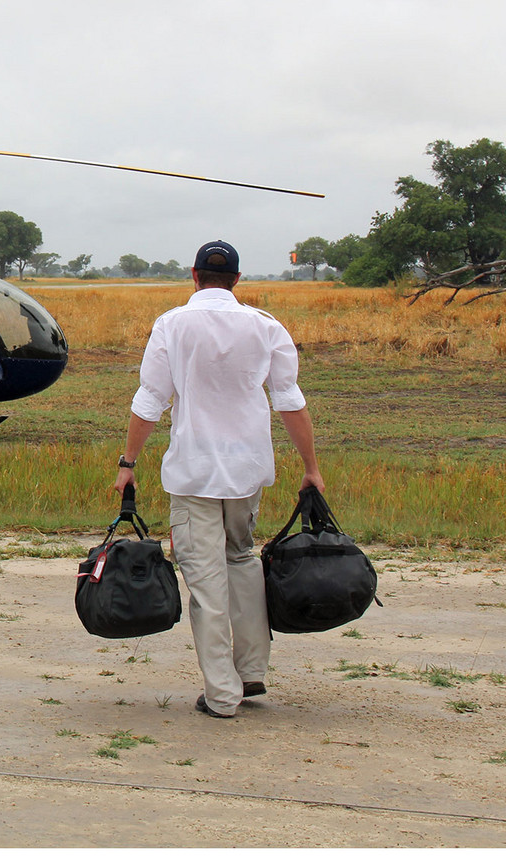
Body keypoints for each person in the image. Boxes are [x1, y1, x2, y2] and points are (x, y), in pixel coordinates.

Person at [113, 239, 323, 719]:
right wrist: (311, 467)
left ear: (194, 276)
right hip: (247, 472)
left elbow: (150, 399)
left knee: (206, 581)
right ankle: (250, 671)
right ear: (236, 279)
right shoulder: (265, 326)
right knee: (242, 559)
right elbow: (289, 400)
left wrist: (128, 463)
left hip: (194, 472)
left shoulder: (171, 325)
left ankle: (222, 695)